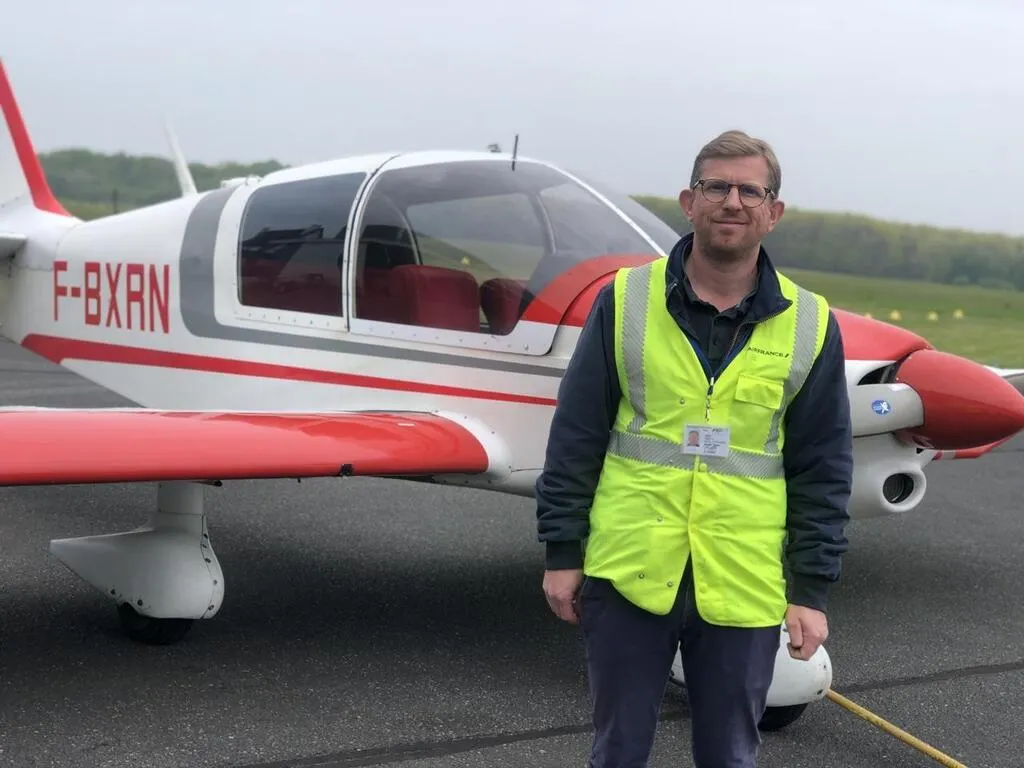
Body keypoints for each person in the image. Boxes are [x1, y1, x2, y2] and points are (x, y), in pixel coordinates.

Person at [535, 129, 853, 767]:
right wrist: (563, 551)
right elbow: (576, 436)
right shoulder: (625, 301)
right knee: (617, 752)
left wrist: (811, 590)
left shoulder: (812, 324)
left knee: (730, 756)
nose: (732, 202)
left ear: (773, 211)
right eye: (716, 187)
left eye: (749, 190)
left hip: (741, 581)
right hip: (628, 570)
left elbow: (824, 467)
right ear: (689, 200)